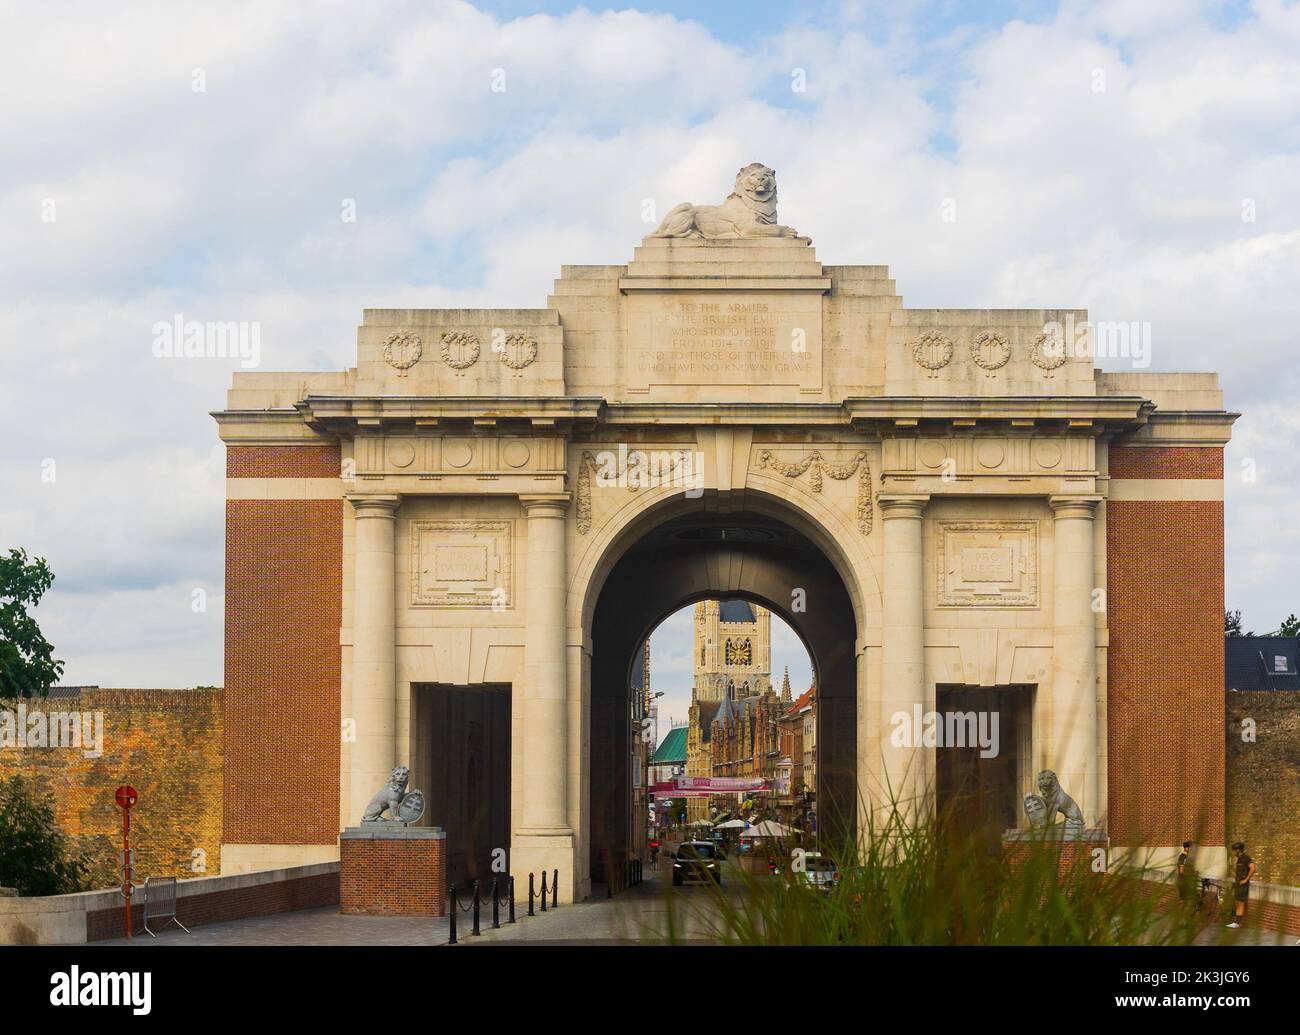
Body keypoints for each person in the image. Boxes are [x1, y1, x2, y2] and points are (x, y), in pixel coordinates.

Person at [1227, 841, 1255, 928]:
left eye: (1234, 850)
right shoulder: (1239, 859)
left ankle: (1238, 923)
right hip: (1238, 884)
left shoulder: (1246, 858)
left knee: (1241, 902)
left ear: (1238, 850)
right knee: (1237, 901)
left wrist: (1246, 879)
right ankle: (1236, 921)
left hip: (1243, 885)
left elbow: (1253, 868)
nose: (1233, 852)